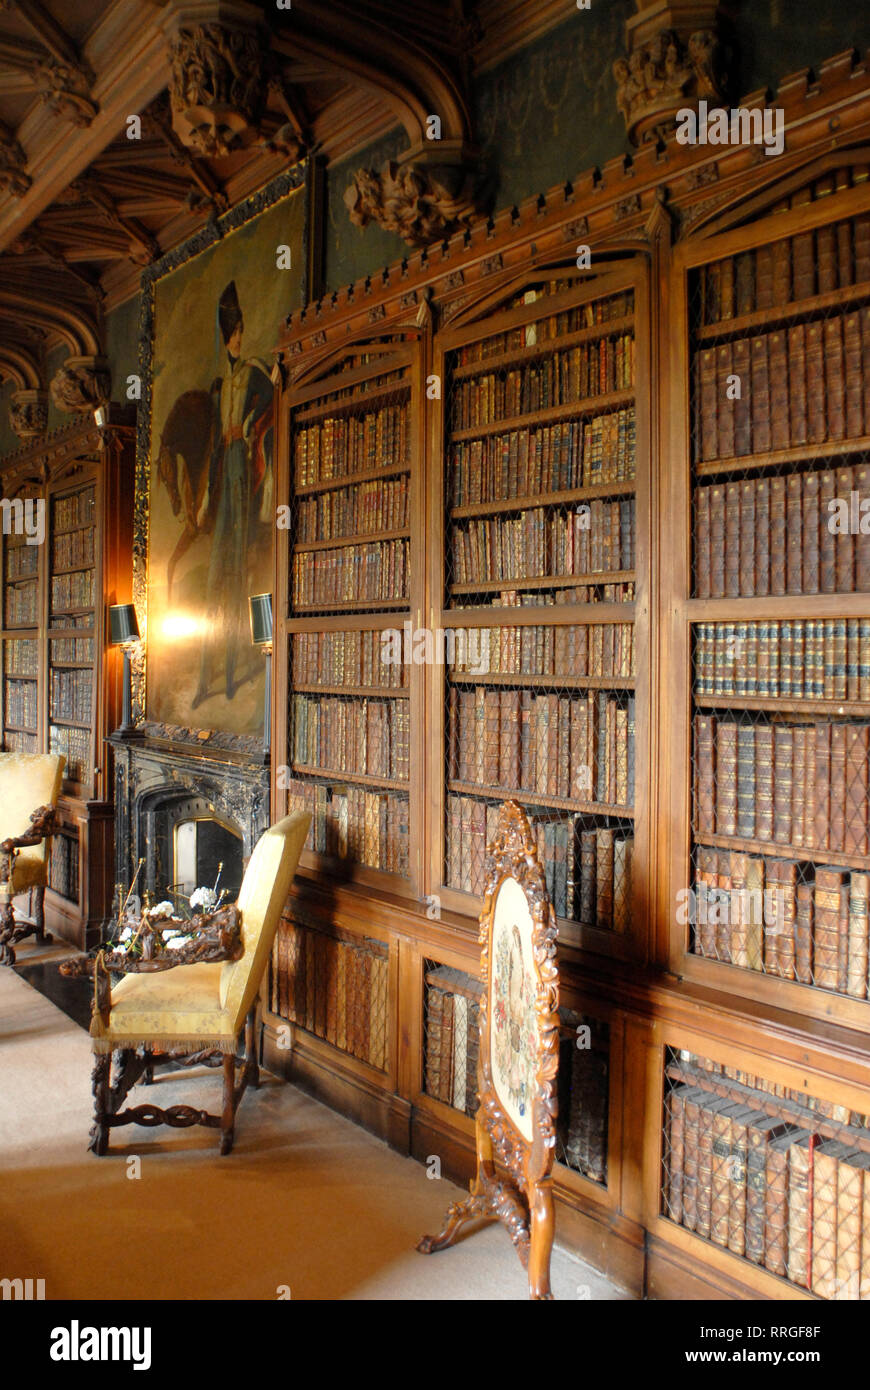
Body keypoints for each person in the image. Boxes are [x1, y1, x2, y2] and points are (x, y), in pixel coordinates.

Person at [193, 280, 273, 707]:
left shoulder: (254, 371)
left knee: (238, 563)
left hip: (243, 465)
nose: (240, 337)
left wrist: (245, 427)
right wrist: (207, 495)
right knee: (214, 573)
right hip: (224, 472)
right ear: (226, 336)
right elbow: (210, 447)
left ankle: (233, 667)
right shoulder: (221, 384)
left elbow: (273, 399)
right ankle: (209, 670)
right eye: (235, 332)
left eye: (242, 330)